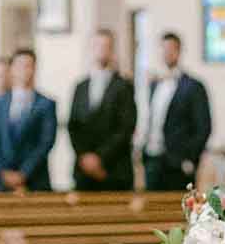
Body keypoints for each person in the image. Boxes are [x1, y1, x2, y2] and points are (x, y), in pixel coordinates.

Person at [139, 30, 210, 193]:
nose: (167, 53)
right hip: (152, 158)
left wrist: (189, 158)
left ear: (178, 51)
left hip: (178, 163)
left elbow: (204, 127)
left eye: (171, 49)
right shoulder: (155, 84)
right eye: (163, 49)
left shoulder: (194, 87)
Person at [67, 28, 137, 192]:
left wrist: (99, 158)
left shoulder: (124, 86)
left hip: (114, 169)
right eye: (97, 46)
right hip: (84, 171)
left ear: (112, 50)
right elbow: (73, 125)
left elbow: (126, 127)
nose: (101, 50)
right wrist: (84, 157)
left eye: (106, 46)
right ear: (91, 49)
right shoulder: (80, 87)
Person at [0, 48, 56, 192]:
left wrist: (23, 173)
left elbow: (46, 142)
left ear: (34, 69)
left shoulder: (46, 104)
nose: (24, 70)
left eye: (29, 66)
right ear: (12, 69)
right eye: (20, 65)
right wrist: (3, 172)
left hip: (34, 180)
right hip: (1, 181)